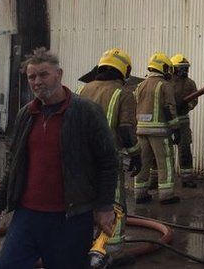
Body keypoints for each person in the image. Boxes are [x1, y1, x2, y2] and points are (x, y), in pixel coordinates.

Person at [0, 48, 118, 269]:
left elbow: (108, 162)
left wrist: (104, 207)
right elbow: (14, 165)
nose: (37, 82)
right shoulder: (26, 114)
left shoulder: (86, 112)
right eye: (31, 77)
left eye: (43, 74)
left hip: (70, 219)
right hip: (27, 217)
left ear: (59, 74)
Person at [76, 48, 141, 256]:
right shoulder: (124, 93)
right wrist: (135, 154)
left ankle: (83, 245)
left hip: (80, 159)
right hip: (107, 160)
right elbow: (126, 130)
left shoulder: (82, 90)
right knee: (113, 202)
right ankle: (110, 248)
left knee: (83, 201)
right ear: (124, 70)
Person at [134, 52, 181, 204]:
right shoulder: (164, 85)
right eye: (168, 69)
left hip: (141, 131)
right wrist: (176, 128)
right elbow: (169, 108)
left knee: (143, 162)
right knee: (165, 162)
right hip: (159, 132)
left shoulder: (140, 85)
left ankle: (140, 194)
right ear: (163, 67)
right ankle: (166, 195)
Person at [169, 53, 199, 188]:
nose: (185, 71)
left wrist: (188, 106)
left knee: (185, 150)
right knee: (165, 152)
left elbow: (194, 99)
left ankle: (187, 178)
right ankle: (158, 179)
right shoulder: (167, 83)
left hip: (183, 122)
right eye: (182, 68)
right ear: (174, 69)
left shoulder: (190, 83)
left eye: (186, 68)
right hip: (168, 122)